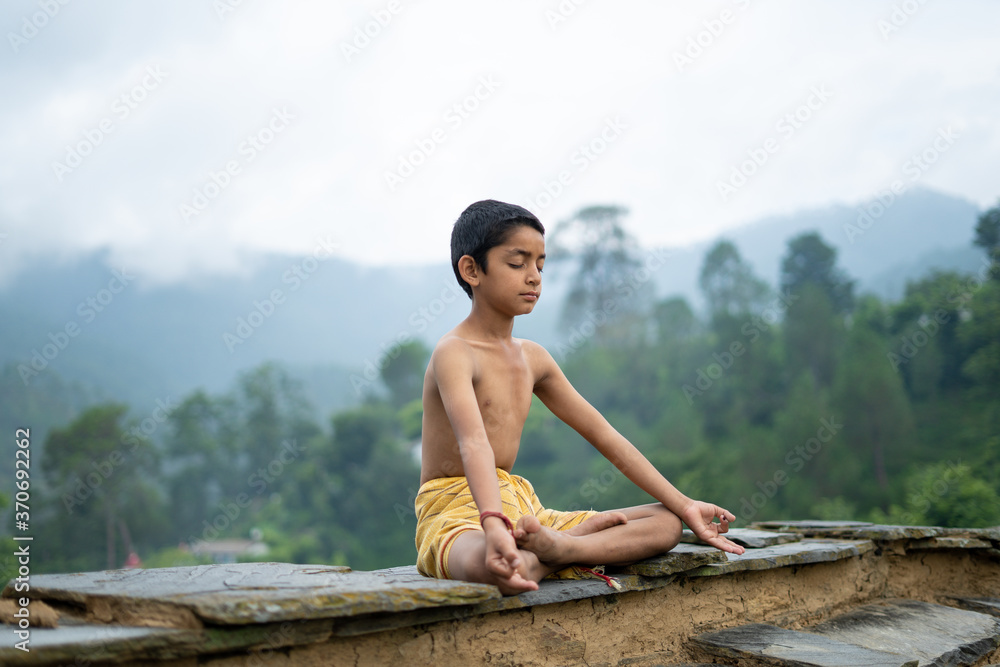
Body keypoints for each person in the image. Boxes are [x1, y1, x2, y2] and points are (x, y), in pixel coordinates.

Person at [414, 199, 744, 595]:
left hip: (524, 510)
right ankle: (552, 551)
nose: (534, 277)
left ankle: (564, 547)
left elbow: (605, 435)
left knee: (668, 523)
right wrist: (492, 522)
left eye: (540, 264)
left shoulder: (534, 358)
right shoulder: (454, 352)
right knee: (488, 564)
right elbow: (473, 442)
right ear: (471, 270)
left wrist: (684, 503)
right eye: (517, 263)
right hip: (458, 511)